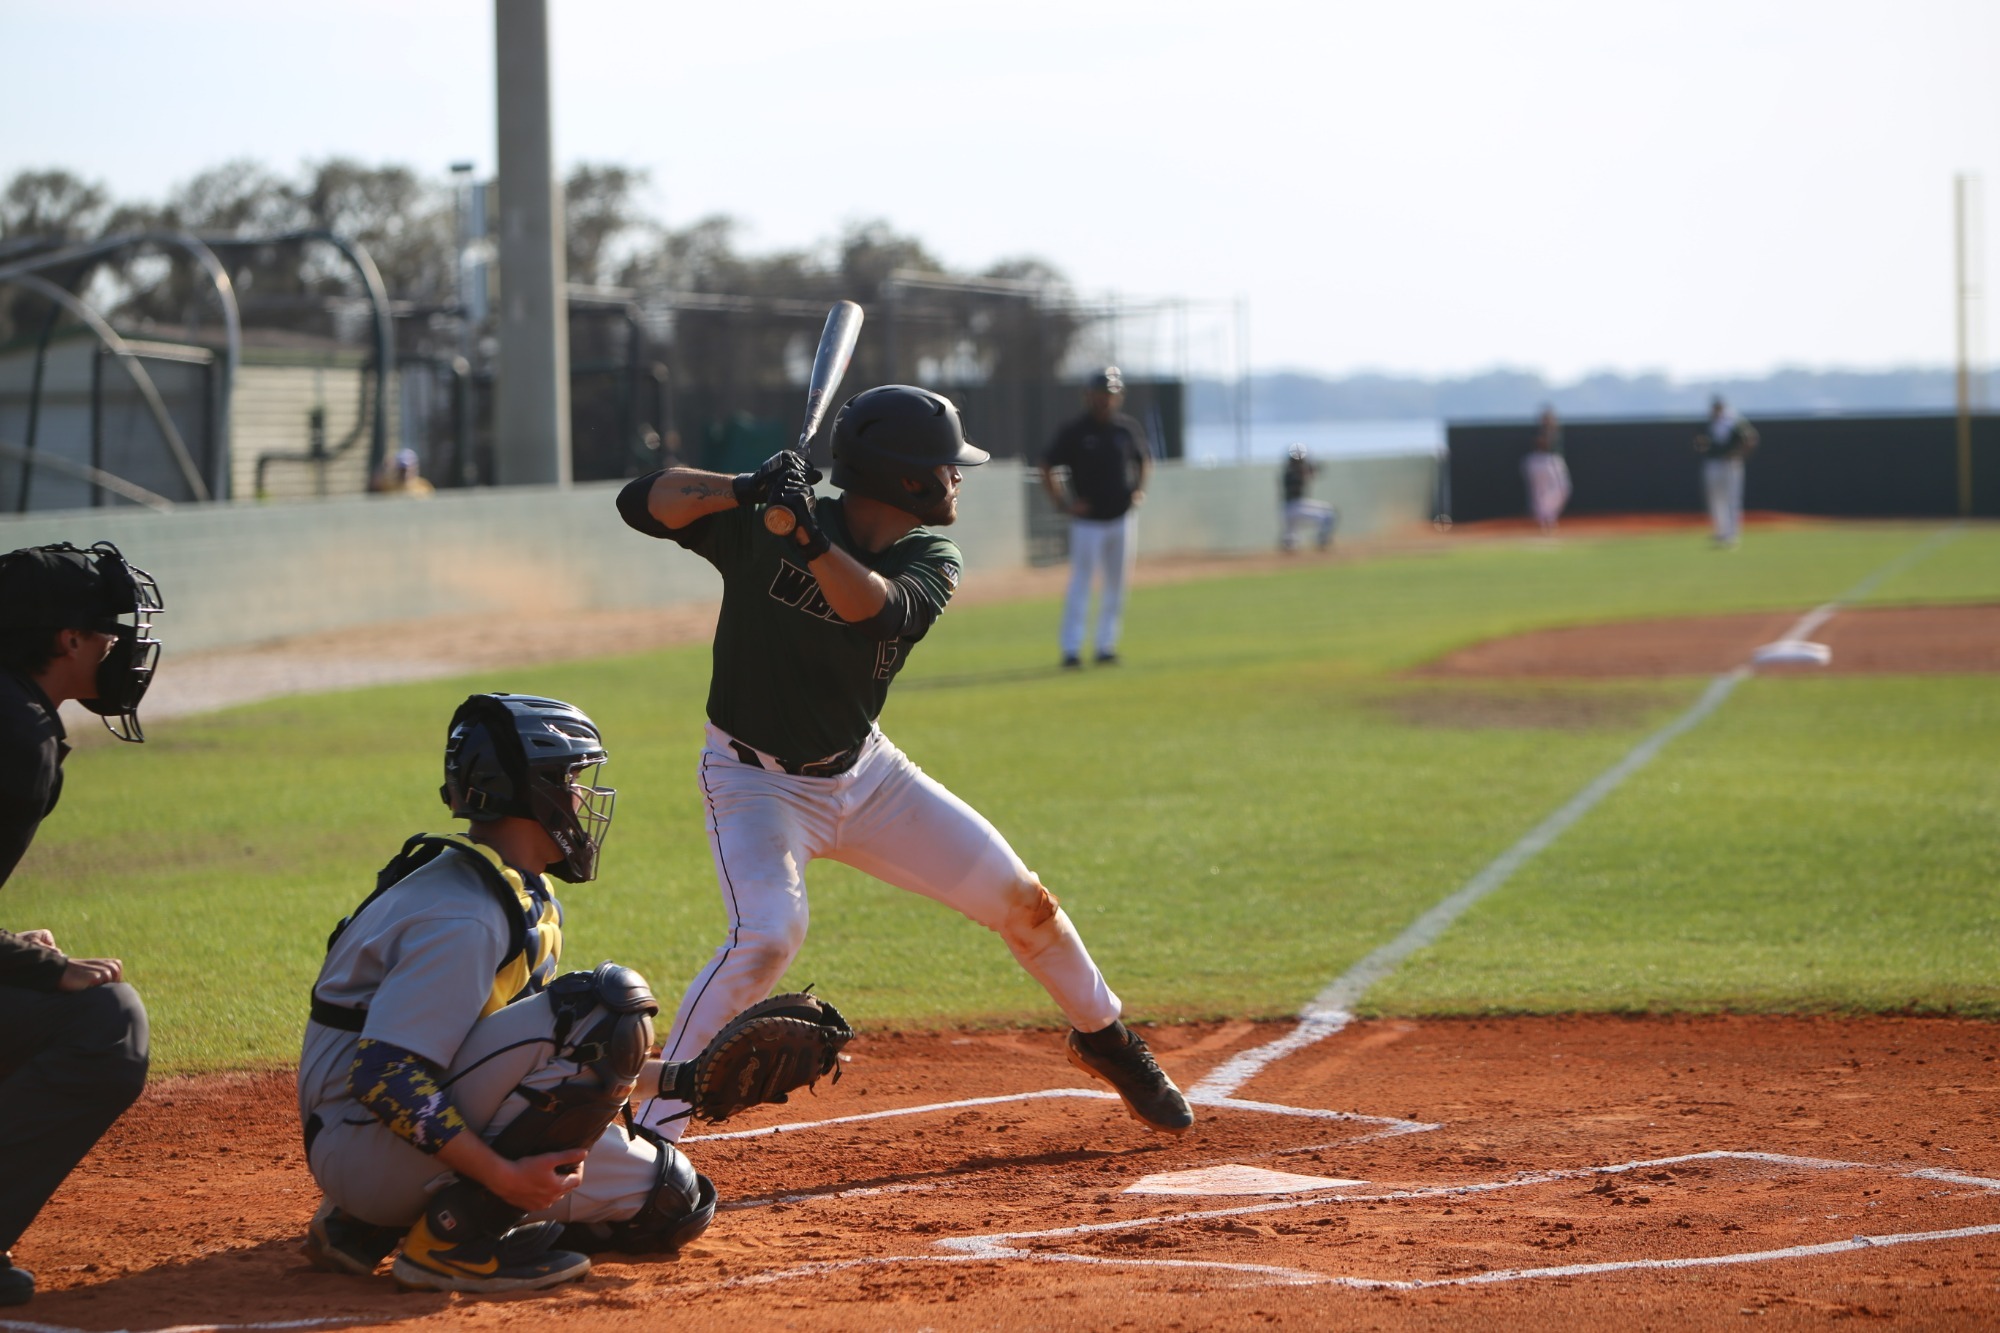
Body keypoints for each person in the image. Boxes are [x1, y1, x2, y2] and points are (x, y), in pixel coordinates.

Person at [615, 384, 1194, 1142]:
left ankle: (1106, 1036)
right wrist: (748, 488)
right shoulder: (767, 521)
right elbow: (640, 503)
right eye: (947, 466)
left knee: (1023, 900)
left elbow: (881, 610)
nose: (958, 478)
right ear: (904, 476)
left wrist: (806, 541)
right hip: (753, 784)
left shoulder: (930, 553)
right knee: (766, 934)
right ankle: (655, 1138)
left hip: (867, 777)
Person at [297, 693, 715, 1294]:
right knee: (607, 1006)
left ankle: (366, 1228)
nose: (581, 796)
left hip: (375, 1142)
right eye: (571, 777)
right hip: (365, 1147)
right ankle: (451, 1238)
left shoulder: (502, 891)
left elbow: (525, 1057)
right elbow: (384, 1072)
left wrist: (682, 1080)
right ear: (536, 789)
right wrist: (501, 1177)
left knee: (669, 1201)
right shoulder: (465, 916)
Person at [0, 541, 163, 1308]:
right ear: (67, 641)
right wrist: (34, 968)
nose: (118, 645)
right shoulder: (17, 739)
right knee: (104, 1023)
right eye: (107, 629)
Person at [1040, 367, 1152, 667]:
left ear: (1118, 397)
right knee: (1081, 583)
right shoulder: (1075, 431)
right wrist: (1064, 504)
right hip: (1088, 522)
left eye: (1110, 394)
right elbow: (1046, 465)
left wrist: (1139, 490)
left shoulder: (1126, 429)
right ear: (1088, 397)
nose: (1105, 400)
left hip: (1121, 517)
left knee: (1117, 585)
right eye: (1099, 394)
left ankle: (1106, 646)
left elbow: (1144, 460)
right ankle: (1072, 649)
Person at [1694, 396, 1757, 547]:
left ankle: (1732, 535)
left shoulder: (1734, 421)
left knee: (1732, 498)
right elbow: (1699, 441)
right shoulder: (1709, 423)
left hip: (1730, 463)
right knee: (1715, 499)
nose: (1715, 410)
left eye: (1718, 407)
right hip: (1713, 463)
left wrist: (1738, 454)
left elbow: (1751, 438)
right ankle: (1721, 532)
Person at [1522, 406, 1572, 533]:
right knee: (1539, 492)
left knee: (1563, 489)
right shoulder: (1536, 429)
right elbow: (1539, 444)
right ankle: (1544, 520)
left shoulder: (1556, 430)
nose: (1549, 419)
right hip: (1538, 460)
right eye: (1547, 417)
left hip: (1552, 461)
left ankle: (1548, 517)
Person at [1279, 444, 1337, 552]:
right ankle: (1321, 541)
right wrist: (1311, 467)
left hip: (1287, 509)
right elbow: (1308, 474)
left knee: (1291, 542)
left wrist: (1311, 468)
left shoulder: (1289, 471)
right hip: (1296, 506)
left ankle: (1289, 541)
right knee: (1329, 513)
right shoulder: (1292, 472)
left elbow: (1311, 473)